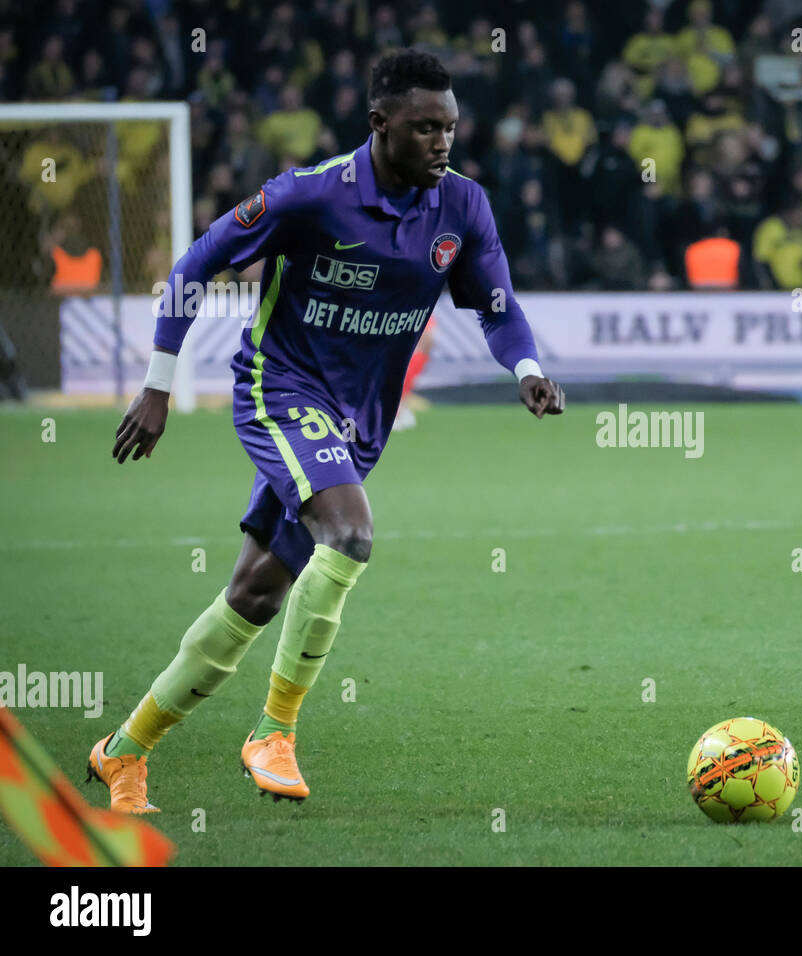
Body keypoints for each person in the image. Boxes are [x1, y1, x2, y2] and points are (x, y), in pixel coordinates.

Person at [91, 50, 564, 813]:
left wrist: (526, 369)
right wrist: (157, 387)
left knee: (253, 595)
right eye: (423, 129)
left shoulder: (463, 206)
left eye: (449, 127)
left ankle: (122, 751)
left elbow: (497, 303)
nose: (442, 142)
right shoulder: (310, 197)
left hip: (358, 423)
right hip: (280, 390)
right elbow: (195, 264)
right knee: (350, 536)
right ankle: (274, 732)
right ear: (380, 125)